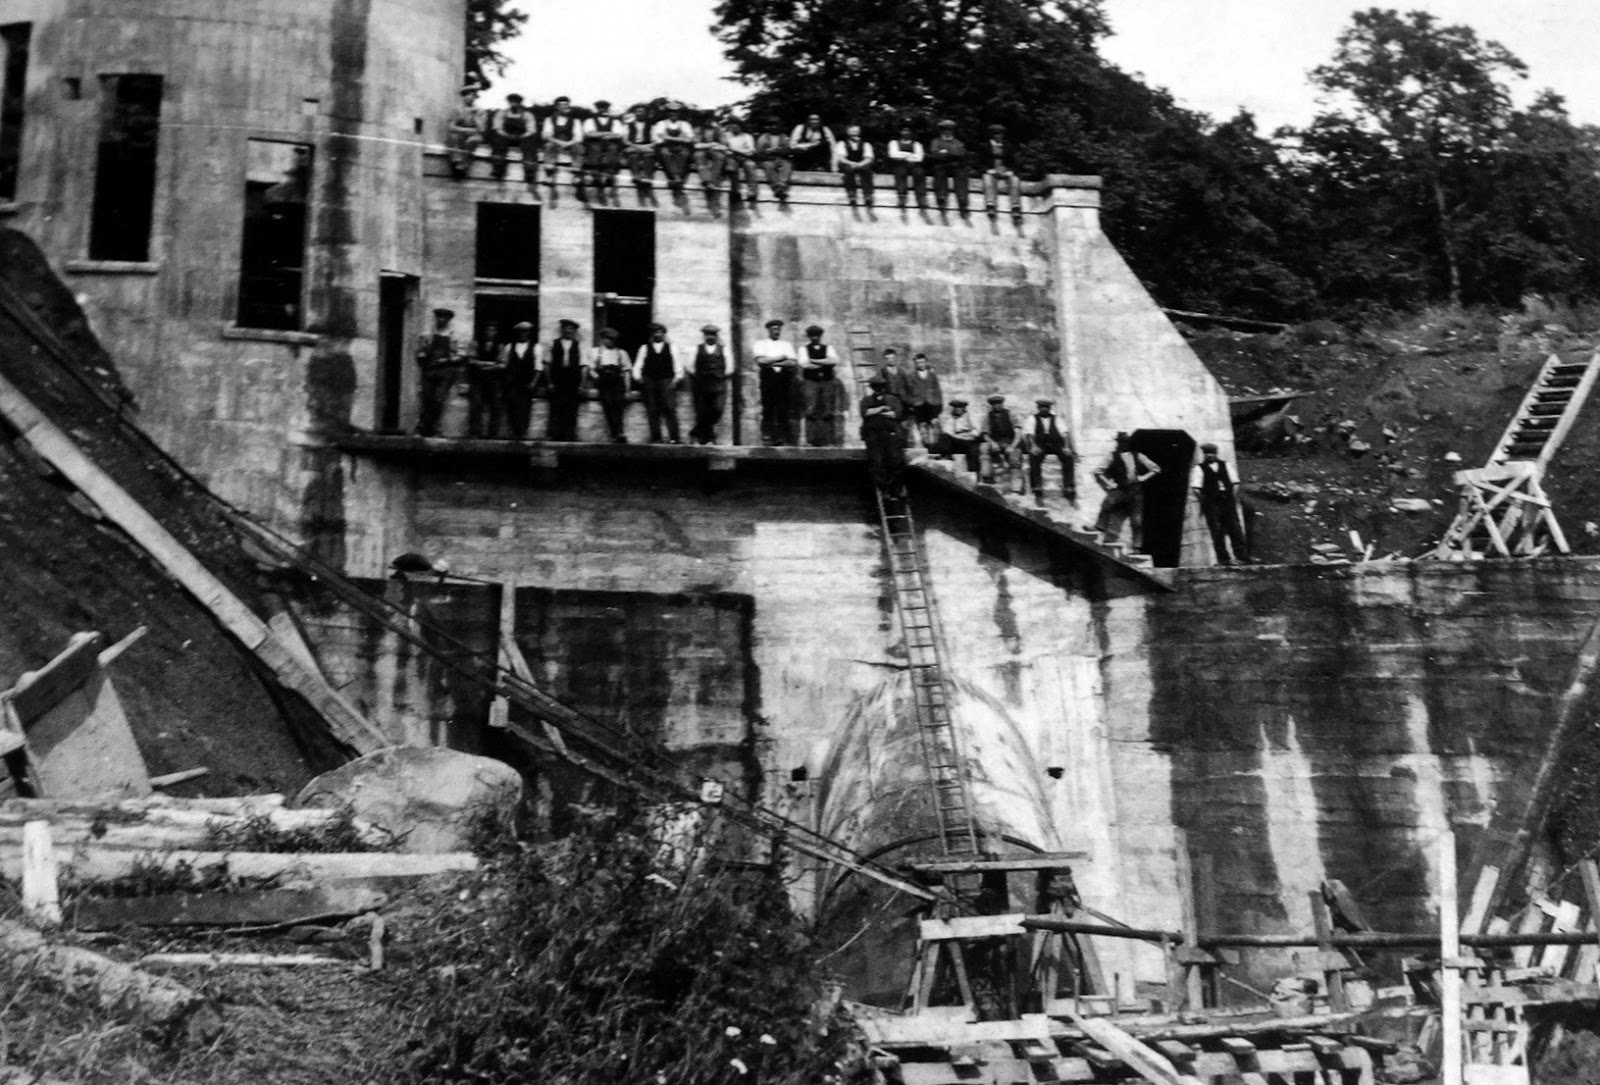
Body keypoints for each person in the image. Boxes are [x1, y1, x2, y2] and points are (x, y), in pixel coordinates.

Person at [1094, 431, 1162, 549]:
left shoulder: (1138, 455)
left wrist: (1143, 478)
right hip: (1120, 489)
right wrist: (1109, 484)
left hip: (1135, 490)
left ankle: (1137, 546)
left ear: (1129, 443)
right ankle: (1099, 527)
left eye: (1125, 442)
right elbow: (1098, 471)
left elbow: (1156, 469)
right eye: (1121, 442)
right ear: (1118, 443)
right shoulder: (1112, 456)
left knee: (1137, 520)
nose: (1123, 445)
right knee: (1107, 504)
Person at [1191, 442, 1250, 564]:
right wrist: (1205, 501)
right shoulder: (1199, 468)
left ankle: (1242, 557)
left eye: (1212, 453)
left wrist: (1231, 498)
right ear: (1204, 454)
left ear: (1216, 453)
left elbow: (1235, 483)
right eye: (1207, 453)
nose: (1209, 455)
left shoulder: (1226, 465)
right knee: (1217, 531)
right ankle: (1223, 559)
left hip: (1227, 501)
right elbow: (1196, 488)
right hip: (1212, 503)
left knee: (1235, 529)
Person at [632, 322, 682, 443]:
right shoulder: (644, 348)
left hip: (667, 380)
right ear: (652, 334)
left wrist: (677, 378)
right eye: (655, 332)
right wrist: (638, 378)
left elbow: (677, 364)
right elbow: (638, 365)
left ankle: (674, 438)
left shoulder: (672, 347)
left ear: (664, 334)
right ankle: (656, 438)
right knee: (652, 409)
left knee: (670, 408)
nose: (658, 334)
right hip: (650, 381)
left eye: (660, 332)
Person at [415, 308, 462, 438]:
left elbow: (460, 356)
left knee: (438, 400)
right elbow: (419, 352)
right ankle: (423, 429)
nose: (441, 320)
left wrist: (447, 360)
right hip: (429, 371)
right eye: (439, 317)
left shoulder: (453, 337)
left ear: (448, 320)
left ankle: (435, 428)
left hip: (445, 372)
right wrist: (423, 355)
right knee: (426, 399)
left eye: (444, 317)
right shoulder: (427, 335)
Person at [753, 318, 799, 445]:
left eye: (778, 329)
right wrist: (781, 357)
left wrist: (772, 361)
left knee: (783, 408)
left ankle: (781, 437)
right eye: (774, 329)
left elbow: (792, 362)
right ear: (768, 330)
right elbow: (761, 361)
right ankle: (767, 436)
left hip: (783, 378)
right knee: (768, 407)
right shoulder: (761, 344)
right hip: (768, 378)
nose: (776, 331)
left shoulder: (786, 345)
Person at [1021, 398, 1076, 502]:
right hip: (1040, 444)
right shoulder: (1032, 418)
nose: (1044, 409)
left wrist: (1066, 447)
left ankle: (1069, 486)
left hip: (1055, 444)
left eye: (1046, 407)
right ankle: (1037, 485)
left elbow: (1064, 433)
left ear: (1049, 408)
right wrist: (1033, 446)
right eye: (1042, 407)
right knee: (1034, 456)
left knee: (1068, 457)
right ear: (1038, 408)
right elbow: (1030, 434)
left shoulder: (1057, 419)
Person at [860, 375, 908, 490]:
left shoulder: (893, 399)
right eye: (875, 387)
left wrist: (875, 412)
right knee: (876, 460)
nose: (878, 389)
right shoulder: (866, 400)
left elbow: (896, 414)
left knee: (895, 459)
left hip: (890, 433)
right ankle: (881, 487)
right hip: (873, 434)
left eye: (880, 387)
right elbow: (865, 413)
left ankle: (896, 485)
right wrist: (881, 409)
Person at [690, 324, 734, 444]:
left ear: (716, 336)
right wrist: (698, 376)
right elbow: (689, 365)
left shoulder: (724, 349)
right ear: (704, 336)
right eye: (708, 334)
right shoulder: (697, 348)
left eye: (713, 334)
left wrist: (722, 375)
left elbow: (730, 366)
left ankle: (696, 432)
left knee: (718, 409)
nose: (710, 337)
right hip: (702, 384)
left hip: (718, 383)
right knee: (702, 410)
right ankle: (708, 437)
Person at [799, 325, 843, 446]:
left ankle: (828, 440)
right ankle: (811, 440)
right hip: (810, 382)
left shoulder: (828, 347)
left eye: (817, 335)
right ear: (809, 336)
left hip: (827, 381)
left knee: (828, 409)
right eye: (812, 335)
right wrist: (825, 362)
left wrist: (815, 361)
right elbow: (805, 364)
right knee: (810, 409)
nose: (815, 337)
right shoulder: (803, 349)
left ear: (820, 336)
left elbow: (834, 361)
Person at [545, 318, 587, 441]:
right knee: (556, 408)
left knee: (571, 409)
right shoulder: (553, 344)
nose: (569, 331)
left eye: (572, 329)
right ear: (562, 329)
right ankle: (556, 436)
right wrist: (549, 382)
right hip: (557, 381)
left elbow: (584, 366)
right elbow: (546, 364)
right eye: (567, 328)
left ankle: (570, 436)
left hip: (573, 381)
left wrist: (582, 385)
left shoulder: (579, 345)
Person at [591, 326, 632, 442]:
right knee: (608, 405)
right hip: (603, 382)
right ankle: (615, 433)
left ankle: (620, 433)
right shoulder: (596, 352)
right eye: (607, 338)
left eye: (612, 339)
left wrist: (628, 390)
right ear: (603, 339)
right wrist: (597, 377)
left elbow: (627, 371)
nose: (610, 341)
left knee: (618, 405)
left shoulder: (621, 353)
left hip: (617, 382)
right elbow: (590, 368)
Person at [466, 320, 506, 438]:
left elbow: (503, 364)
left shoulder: (500, 346)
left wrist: (484, 365)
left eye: (492, 330)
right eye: (488, 330)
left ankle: (492, 434)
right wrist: (490, 364)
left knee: (495, 405)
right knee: (476, 404)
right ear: (484, 331)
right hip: (478, 378)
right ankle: (475, 432)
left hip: (494, 379)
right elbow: (470, 360)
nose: (490, 332)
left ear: (496, 332)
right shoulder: (475, 343)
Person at [487, 93, 538, 182]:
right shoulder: (501, 113)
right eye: (511, 102)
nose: (513, 104)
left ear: (520, 103)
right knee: (498, 141)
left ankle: (529, 172)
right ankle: (498, 168)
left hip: (522, 137)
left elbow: (531, 130)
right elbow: (497, 128)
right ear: (508, 102)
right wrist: (506, 135)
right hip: (506, 136)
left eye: (516, 102)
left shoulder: (527, 115)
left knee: (530, 145)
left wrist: (521, 136)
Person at [541, 96, 587, 190]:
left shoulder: (575, 121)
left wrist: (568, 143)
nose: (565, 107)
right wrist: (558, 142)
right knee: (549, 146)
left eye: (566, 104)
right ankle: (549, 176)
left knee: (578, 148)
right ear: (557, 107)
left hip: (570, 142)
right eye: (562, 105)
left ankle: (576, 176)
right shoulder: (549, 119)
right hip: (555, 142)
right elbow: (546, 135)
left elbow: (579, 137)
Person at [501, 321, 538, 438]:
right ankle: (514, 431)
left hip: (527, 381)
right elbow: (504, 365)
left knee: (525, 406)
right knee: (512, 405)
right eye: (521, 331)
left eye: (526, 331)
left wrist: (533, 382)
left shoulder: (536, 347)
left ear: (529, 333)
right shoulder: (509, 347)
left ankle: (523, 432)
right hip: (513, 381)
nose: (523, 334)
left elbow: (538, 368)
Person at [980, 393, 1024, 491]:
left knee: (1015, 457)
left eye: (999, 403)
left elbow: (1018, 433)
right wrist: (992, 442)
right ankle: (987, 476)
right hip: (996, 442)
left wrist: (1012, 446)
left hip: (1009, 441)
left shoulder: (1011, 414)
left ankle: (1016, 486)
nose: (998, 405)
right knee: (984, 447)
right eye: (995, 404)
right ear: (991, 405)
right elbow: (985, 434)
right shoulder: (987, 417)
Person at [652, 102, 697, 192]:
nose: (673, 114)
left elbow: (690, 138)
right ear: (667, 113)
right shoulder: (661, 124)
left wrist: (668, 137)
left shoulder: (684, 124)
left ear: (679, 113)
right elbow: (658, 139)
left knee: (685, 153)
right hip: (665, 147)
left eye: (675, 112)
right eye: (671, 112)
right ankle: (676, 177)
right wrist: (680, 138)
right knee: (665, 153)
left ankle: (675, 178)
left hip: (681, 147)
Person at [978, 123, 1021, 218]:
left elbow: (1014, 163)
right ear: (992, 135)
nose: (998, 136)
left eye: (1000, 134)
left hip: (1005, 172)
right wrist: (988, 170)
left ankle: (1015, 207)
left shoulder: (1008, 146)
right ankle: (990, 205)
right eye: (995, 134)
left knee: (1015, 180)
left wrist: (1011, 171)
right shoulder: (985, 146)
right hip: (991, 172)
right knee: (987, 180)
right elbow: (979, 163)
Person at [928, 118, 970, 215]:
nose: (947, 132)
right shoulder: (936, 141)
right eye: (944, 129)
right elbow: (934, 154)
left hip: (955, 166)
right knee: (939, 172)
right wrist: (950, 153)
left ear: (953, 131)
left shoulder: (958, 142)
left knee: (961, 174)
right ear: (941, 131)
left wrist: (946, 152)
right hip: (941, 165)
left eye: (949, 129)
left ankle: (962, 199)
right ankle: (941, 197)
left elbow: (962, 153)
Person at [584, 100, 626, 193]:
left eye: (605, 108)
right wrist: (607, 133)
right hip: (594, 143)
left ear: (608, 109)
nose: (602, 110)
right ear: (597, 109)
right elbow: (590, 134)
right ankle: (596, 177)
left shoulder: (615, 121)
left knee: (613, 149)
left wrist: (600, 134)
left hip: (610, 143)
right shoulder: (590, 120)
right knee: (594, 149)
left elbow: (619, 134)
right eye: (600, 108)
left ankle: (610, 177)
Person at [446, 83, 485, 179]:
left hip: (473, 136)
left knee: (473, 140)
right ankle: (457, 162)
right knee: (453, 137)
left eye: (472, 95)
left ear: (475, 97)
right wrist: (467, 130)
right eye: (466, 95)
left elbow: (482, 129)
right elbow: (451, 127)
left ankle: (462, 166)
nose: (469, 97)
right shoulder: (457, 110)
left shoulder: (480, 111)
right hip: (460, 134)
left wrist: (475, 116)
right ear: (463, 97)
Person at [902, 353, 943, 447]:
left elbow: (937, 390)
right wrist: (912, 402)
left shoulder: (932, 375)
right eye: (918, 363)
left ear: (926, 362)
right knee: (922, 427)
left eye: (922, 362)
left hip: (932, 404)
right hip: (919, 405)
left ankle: (936, 446)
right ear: (915, 364)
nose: (920, 364)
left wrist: (939, 405)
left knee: (934, 425)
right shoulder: (911, 376)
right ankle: (926, 445)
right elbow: (907, 392)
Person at [932, 399, 982, 473]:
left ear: (964, 408)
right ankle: (944, 457)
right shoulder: (951, 418)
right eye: (956, 407)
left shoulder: (970, 416)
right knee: (944, 436)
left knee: (973, 450)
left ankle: (973, 471)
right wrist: (957, 436)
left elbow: (977, 431)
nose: (958, 409)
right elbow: (947, 431)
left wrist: (966, 435)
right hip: (957, 439)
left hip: (969, 439)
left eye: (960, 407)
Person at [885, 124, 927, 210]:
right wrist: (910, 155)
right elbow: (893, 154)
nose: (906, 133)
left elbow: (919, 157)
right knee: (900, 172)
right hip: (900, 165)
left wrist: (903, 155)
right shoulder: (894, 143)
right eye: (904, 130)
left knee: (919, 173)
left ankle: (921, 198)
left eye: (908, 131)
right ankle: (902, 196)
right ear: (900, 132)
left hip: (914, 165)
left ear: (911, 133)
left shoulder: (916, 144)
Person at [835, 125, 874, 207]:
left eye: (856, 131)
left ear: (859, 132)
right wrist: (851, 163)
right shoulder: (842, 144)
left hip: (861, 165)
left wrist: (860, 164)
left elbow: (869, 158)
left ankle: (868, 195)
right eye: (852, 131)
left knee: (867, 172)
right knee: (849, 171)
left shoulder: (866, 144)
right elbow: (841, 158)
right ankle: (852, 195)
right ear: (847, 132)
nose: (854, 134)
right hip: (847, 165)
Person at [721, 119, 759, 203]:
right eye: (732, 125)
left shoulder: (747, 136)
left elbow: (751, 151)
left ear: (741, 127)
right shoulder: (726, 136)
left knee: (750, 165)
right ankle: (735, 190)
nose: (734, 127)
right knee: (731, 167)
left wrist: (735, 150)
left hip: (744, 157)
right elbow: (723, 149)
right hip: (731, 158)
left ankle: (752, 191)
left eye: (737, 125)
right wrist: (730, 151)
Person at [755, 120, 794, 202]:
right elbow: (758, 153)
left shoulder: (784, 137)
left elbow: (788, 150)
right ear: (769, 127)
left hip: (780, 159)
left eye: (777, 125)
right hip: (767, 159)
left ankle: (782, 184)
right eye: (772, 125)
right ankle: (777, 187)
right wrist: (768, 151)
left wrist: (778, 150)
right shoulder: (763, 137)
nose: (774, 127)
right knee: (769, 166)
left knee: (787, 165)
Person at [623, 109, 657, 189]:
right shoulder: (628, 125)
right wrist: (636, 146)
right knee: (633, 155)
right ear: (634, 114)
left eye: (642, 112)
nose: (640, 114)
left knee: (649, 155)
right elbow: (625, 140)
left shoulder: (651, 126)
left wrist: (646, 146)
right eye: (638, 112)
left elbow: (655, 140)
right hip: (633, 146)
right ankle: (636, 176)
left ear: (646, 114)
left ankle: (646, 176)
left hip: (647, 146)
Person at [695, 117, 729, 192]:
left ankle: (712, 182)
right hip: (702, 150)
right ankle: (706, 180)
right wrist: (712, 144)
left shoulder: (718, 130)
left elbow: (724, 146)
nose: (709, 122)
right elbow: (696, 145)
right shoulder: (699, 130)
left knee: (720, 157)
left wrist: (718, 129)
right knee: (698, 155)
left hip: (715, 150)